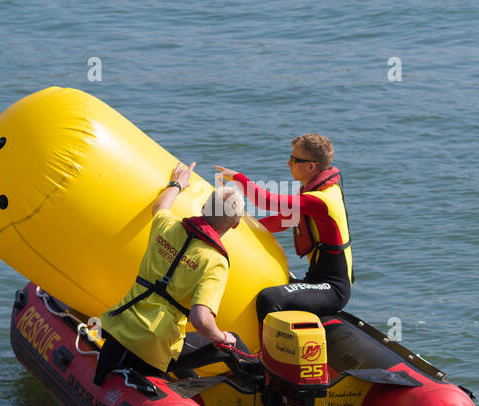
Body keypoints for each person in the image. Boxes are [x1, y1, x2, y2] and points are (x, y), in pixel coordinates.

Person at [93, 161, 250, 385]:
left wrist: (177, 184)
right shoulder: (215, 261)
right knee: (234, 345)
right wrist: (223, 337)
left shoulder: (168, 226)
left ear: (203, 208)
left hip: (119, 328)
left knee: (187, 346)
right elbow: (200, 320)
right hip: (153, 346)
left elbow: (160, 207)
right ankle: (261, 395)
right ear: (235, 224)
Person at [216, 133, 352, 323]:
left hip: (332, 288)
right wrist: (241, 231)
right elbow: (284, 220)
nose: (288, 163)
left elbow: (265, 201)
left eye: (294, 159)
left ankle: (263, 353)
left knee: (269, 298)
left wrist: (237, 177)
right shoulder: (314, 192)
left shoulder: (321, 200)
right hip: (315, 280)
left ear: (310, 166)